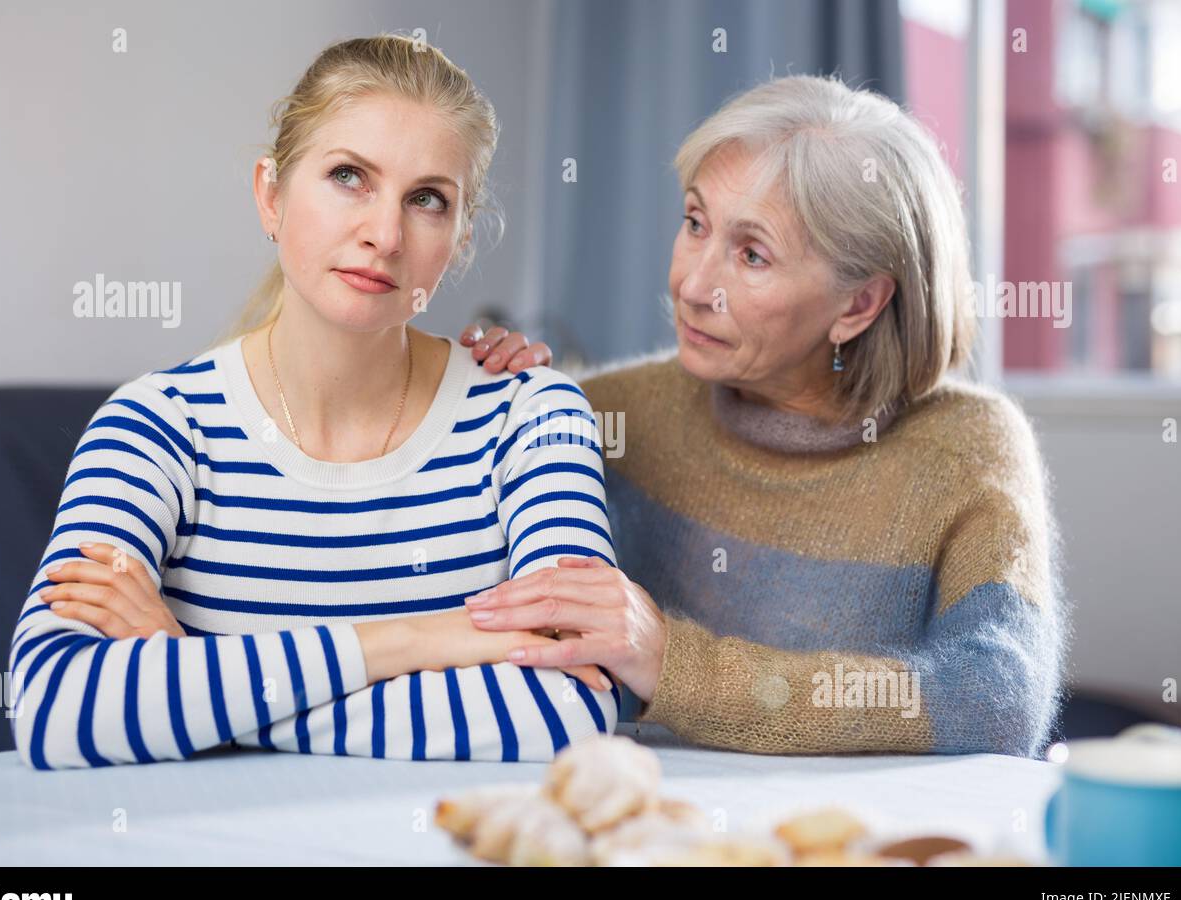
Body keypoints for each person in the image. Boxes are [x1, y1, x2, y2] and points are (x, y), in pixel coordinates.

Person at [9, 35, 617, 771]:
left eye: (427, 199)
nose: (384, 236)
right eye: (348, 176)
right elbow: (53, 709)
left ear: (458, 239)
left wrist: (199, 687)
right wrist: (417, 640)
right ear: (271, 194)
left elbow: (576, 707)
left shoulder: (535, 417)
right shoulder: (155, 425)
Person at [455, 74, 1069, 759]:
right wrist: (474, 402)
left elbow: (994, 700)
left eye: (752, 254)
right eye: (695, 223)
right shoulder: (604, 416)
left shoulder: (967, 450)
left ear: (858, 306)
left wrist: (679, 668)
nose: (690, 285)